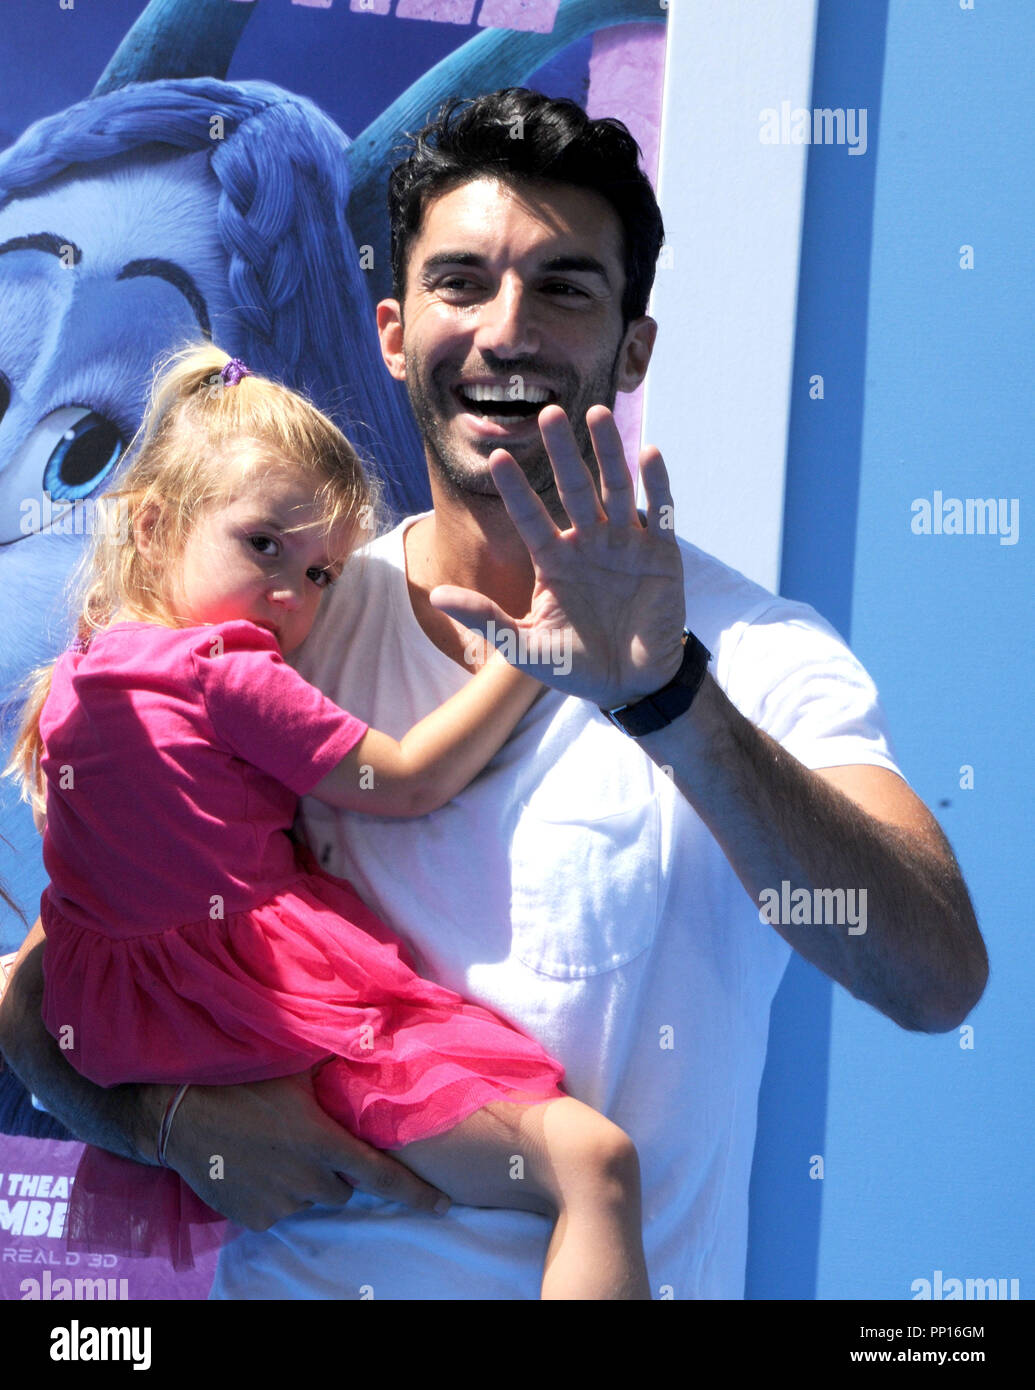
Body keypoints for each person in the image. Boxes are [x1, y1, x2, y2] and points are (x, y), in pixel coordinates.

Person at [0, 90, 987, 1301]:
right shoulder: (272, 625)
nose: (507, 330)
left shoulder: (757, 654)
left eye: (566, 288)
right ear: (394, 330)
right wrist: (178, 1127)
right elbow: (42, 1001)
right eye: (462, 283)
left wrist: (669, 697)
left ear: (634, 349)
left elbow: (935, 978)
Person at [3, 343, 651, 1300]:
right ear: (150, 524)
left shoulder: (69, 692)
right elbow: (410, 780)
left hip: (141, 1042)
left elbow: (53, 948)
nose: (289, 597)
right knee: (593, 1167)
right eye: (265, 545)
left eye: (321, 575)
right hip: (282, 1015)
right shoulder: (226, 671)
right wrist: (532, 659)